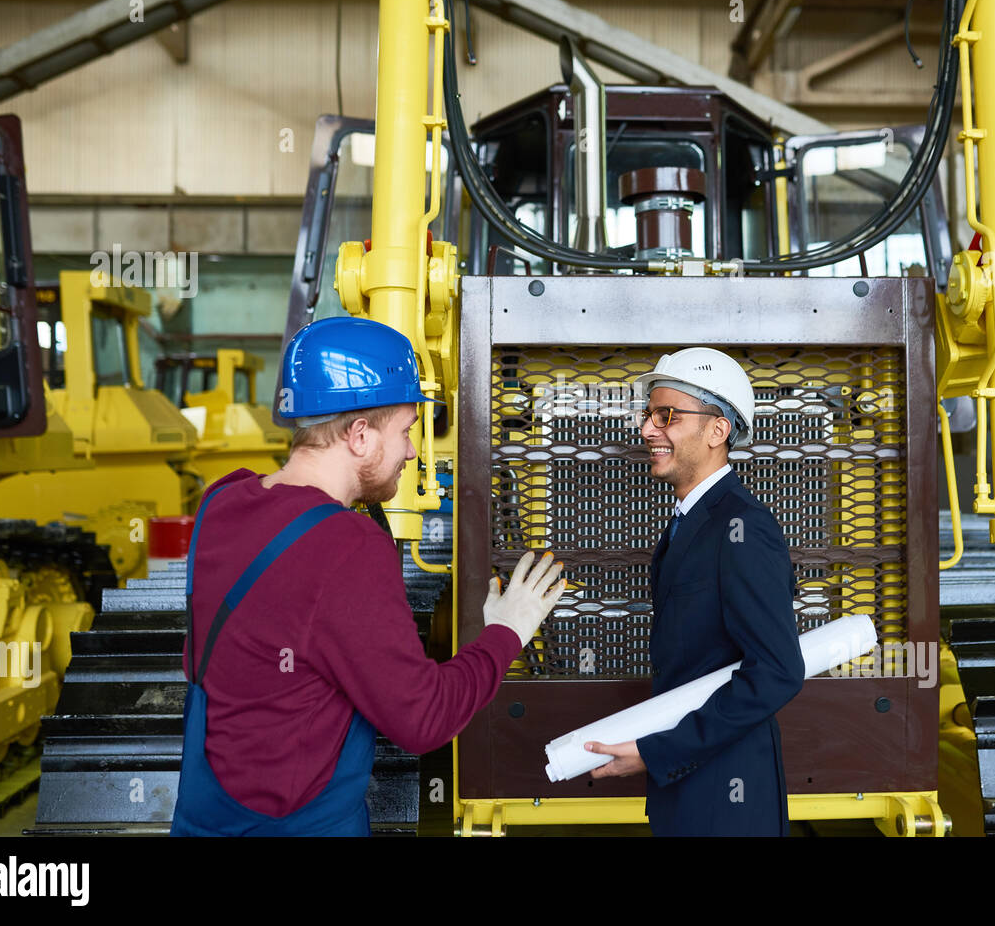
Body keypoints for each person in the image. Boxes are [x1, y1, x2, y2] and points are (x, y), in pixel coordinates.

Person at [170, 317, 564, 836]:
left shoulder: (222, 499)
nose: (410, 451)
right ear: (359, 435)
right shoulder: (348, 547)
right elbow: (424, 719)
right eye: (403, 431)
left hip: (201, 817)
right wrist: (506, 632)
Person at [584, 347, 805, 836]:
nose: (647, 429)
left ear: (717, 431)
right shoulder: (692, 522)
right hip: (690, 794)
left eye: (668, 416)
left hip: (728, 799)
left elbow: (776, 672)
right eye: (649, 414)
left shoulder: (743, 527)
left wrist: (655, 751)